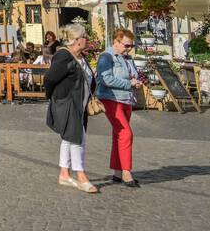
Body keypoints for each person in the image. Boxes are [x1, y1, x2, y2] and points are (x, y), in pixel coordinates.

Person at [44, 23, 98, 193]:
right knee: (77, 138)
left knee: (69, 138)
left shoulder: (80, 57)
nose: (87, 39)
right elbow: (49, 79)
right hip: (68, 103)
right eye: (84, 37)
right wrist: (56, 97)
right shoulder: (64, 57)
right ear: (76, 40)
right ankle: (81, 176)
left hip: (79, 104)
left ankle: (64, 174)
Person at [95, 28, 140, 188]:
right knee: (126, 133)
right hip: (110, 98)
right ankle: (126, 172)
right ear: (116, 42)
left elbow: (133, 74)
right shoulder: (106, 57)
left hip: (126, 99)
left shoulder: (128, 58)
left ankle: (117, 171)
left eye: (131, 46)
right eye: (126, 45)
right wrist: (129, 83)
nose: (129, 49)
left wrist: (136, 79)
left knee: (118, 135)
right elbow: (106, 79)